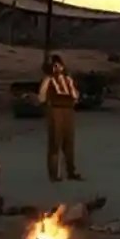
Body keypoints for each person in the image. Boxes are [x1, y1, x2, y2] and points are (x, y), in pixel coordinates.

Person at [38, 54, 82, 182]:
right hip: (55, 110)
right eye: (54, 65)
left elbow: (75, 95)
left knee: (69, 142)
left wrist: (74, 101)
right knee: (55, 142)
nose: (57, 68)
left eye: (59, 65)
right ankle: (54, 174)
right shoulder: (48, 80)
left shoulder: (69, 80)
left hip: (68, 110)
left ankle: (71, 171)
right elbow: (42, 96)